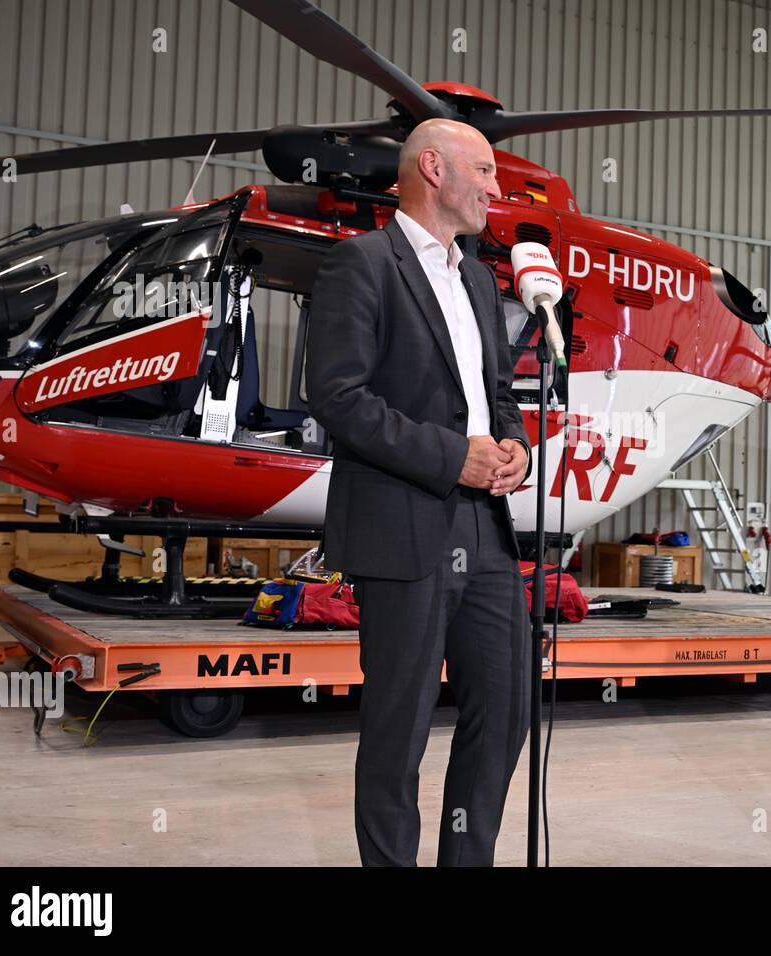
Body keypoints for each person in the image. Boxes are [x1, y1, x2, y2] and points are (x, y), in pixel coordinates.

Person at [306, 118, 532, 866]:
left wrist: (515, 451)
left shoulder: (478, 276)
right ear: (433, 168)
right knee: (398, 730)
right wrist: (451, 458)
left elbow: (497, 395)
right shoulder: (361, 265)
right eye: (488, 171)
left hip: (486, 529)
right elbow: (339, 399)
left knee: (505, 708)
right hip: (403, 524)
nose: (499, 190)